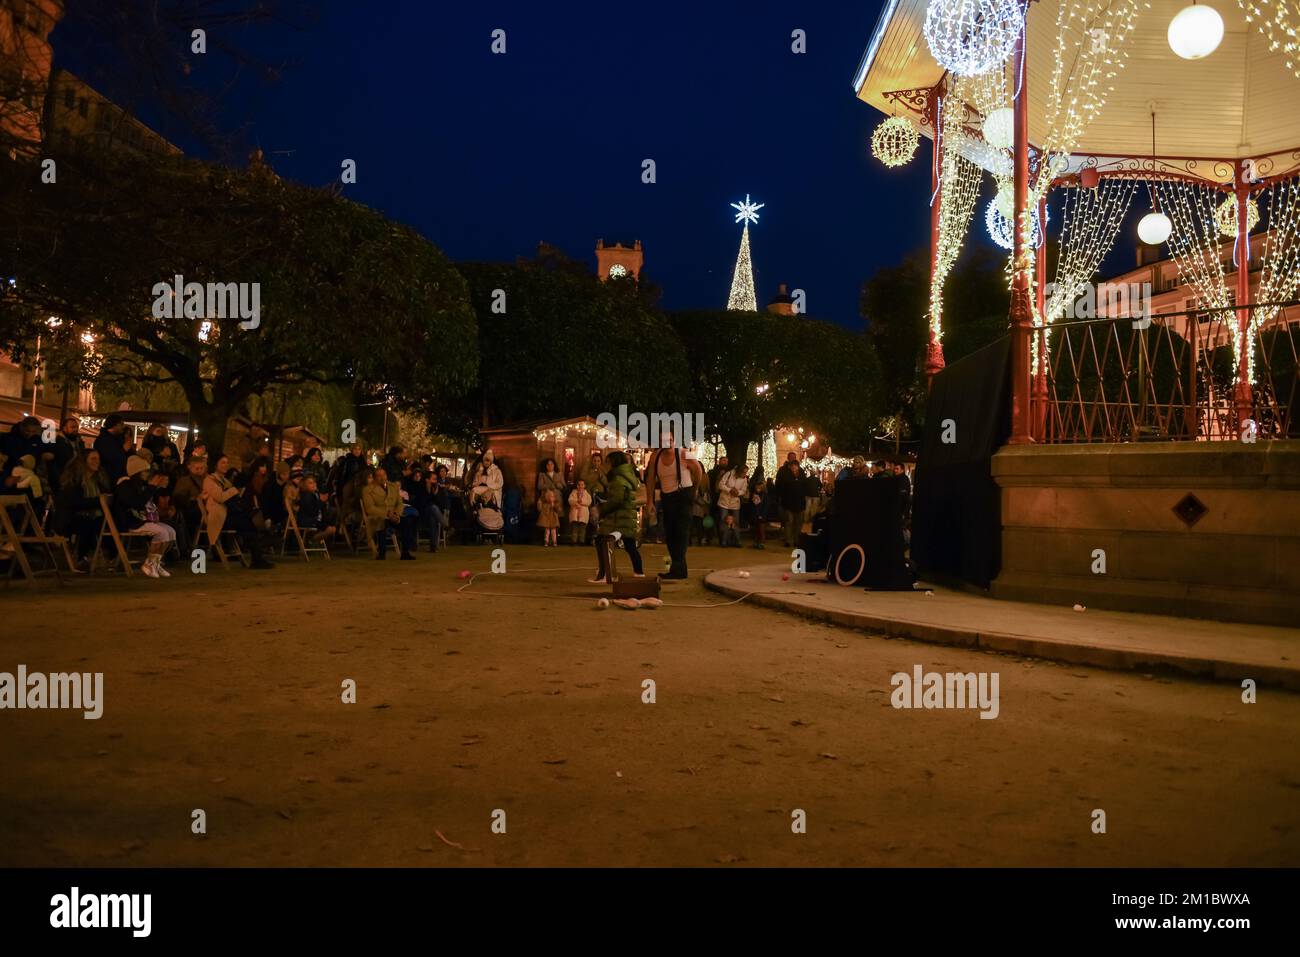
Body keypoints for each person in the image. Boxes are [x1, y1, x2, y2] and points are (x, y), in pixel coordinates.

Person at [642, 431, 705, 580]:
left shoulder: (684, 453)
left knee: (681, 532)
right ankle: (679, 570)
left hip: (683, 495)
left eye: (670, 440)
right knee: (670, 533)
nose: (668, 443)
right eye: (664, 440)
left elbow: (698, 471)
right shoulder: (655, 457)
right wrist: (650, 501)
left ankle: (677, 569)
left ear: (674, 440)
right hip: (667, 497)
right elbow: (650, 479)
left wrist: (694, 490)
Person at [203, 453, 273, 569]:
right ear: (215, 465)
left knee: (249, 521)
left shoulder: (225, 481)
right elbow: (220, 496)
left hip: (229, 513)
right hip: (219, 516)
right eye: (223, 462)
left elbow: (234, 495)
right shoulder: (209, 480)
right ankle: (257, 558)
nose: (226, 465)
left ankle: (257, 557)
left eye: (226, 462)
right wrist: (235, 489)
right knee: (246, 523)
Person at [112, 455, 177, 579]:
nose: (147, 474)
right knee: (162, 532)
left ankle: (155, 563)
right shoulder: (124, 486)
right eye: (145, 471)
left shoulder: (138, 485)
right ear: (137, 472)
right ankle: (149, 564)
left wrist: (155, 487)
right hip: (130, 522)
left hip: (140, 519)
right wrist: (151, 487)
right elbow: (137, 503)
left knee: (171, 532)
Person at [590, 450, 643, 583]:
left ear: (614, 463)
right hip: (624, 517)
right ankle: (639, 573)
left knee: (601, 541)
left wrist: (601, 510)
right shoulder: (625, 475)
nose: (605, 464)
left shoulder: (618, 478)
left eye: (607, 462)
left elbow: (617, 500)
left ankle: (604, 574)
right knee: (629, 545)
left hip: (619, 518)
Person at [55, 448, 110, 570]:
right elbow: (73, 503)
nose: (97, 461)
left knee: (107, 523)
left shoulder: (98, 480)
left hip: (92, 515)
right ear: (84, 461)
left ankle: (106, 557)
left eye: (98, 459)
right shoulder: (74, 481)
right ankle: (82, 557)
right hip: (70, 518)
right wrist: (99, 500)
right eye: (93, 458)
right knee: (88, 525)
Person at [364, 466, 414, 560]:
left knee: (407, 521)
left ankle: (406, 552)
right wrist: (387, 514)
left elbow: (399, 503)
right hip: (378, 516)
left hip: (394, 515)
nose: (382, 477)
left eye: (384, 475)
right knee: (382, 522)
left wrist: (397, 514)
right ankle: (382, 552)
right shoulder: (368, 490)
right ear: (375, 478)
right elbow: (370, 508)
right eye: (379, 476)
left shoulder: (393, 487)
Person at [775, 457, 807, 548]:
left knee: (798, 523)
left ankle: (796, 540)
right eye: (792, 466)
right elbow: (782, 487)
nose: (794, 468)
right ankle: (788, 540)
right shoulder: (786, 475)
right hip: (789, 503)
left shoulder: (802, 475)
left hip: (800, 503)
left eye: (795, 466)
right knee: (789, 522)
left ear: (798, 467)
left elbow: (805, 487)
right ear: (790, 467)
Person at [295, 475, 336, 544]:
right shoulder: (306, 495)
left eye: (314, 482)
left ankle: (314, 541)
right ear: (304, 486)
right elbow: (312, 511)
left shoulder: (315, 494)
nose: (314, 484)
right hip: (308, 520)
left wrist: (324, 503)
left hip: (316, 519)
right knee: (330, 529)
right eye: (310, 483)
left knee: (332, 528)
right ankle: (312, 540)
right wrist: (321, 501)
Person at [577, 449, 607, 543]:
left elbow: (606, 483)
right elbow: (583, 478)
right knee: (587, 516)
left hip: (599, 497)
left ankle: (597, 537)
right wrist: (594, 475)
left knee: (597, 517)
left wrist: (600, 476)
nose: (596, 463)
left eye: (598, 461)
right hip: (588, 497)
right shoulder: (587, 470)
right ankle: (586, 538)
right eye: (594, 460)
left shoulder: (603, 471)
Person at [716, 461, 748, 547]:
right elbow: (720, 485)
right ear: (739, 471)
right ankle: (723, 540)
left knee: (736, 522)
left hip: (735, 503)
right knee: (723, 520)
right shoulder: (729, 474)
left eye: (746, 472)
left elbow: (744, 490)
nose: (745, 474)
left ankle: (736, 541)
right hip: (724, 501)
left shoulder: (744, 479)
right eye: (744, 472)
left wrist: (738, 493)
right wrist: (729, 490)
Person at [93, 414, 130, 483]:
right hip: (109, 477)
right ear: (114, 425)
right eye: (121, 424)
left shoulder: (119, 438)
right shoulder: (103, 440)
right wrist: (124, 449)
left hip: (120, 476)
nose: (123, 426)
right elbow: (109, 457)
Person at [535, 458, 563, 541]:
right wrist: (549, 486)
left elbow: (563, 485)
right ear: (546, 466)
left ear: (554, 465)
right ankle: (546, 539)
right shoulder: (542, 474)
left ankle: (555, 539)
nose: (550, 466)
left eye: (551, 464)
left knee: (556, 517)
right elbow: (539, 486)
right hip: (546, 499)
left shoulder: (559, 474)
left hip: (556, 498)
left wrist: (558, 485)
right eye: (548, 464)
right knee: (546, 518)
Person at [567, 479, 592, 546]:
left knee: (582, 529)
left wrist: (582, 501)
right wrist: (576, 501)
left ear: (584, 486)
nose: (580, 486)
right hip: (575, 513)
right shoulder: (573, 492)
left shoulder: (587, 494)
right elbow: (570, 500)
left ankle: (581, 541)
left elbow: (589, 502)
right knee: (574, 528)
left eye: (582, 485)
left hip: (583, 514)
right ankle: (574, 541)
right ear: (577, 485)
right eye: (579, 485)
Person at [749, 479, 768, 549]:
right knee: (756, 529)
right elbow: (752, 504)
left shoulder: (765, 496)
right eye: (757, 487)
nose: (758, 489)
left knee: (761, 529)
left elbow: (765, 506)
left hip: (762, 515)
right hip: (755, 514)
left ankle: (762, 542)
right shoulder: (753, 494)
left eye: (759, 488)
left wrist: (762, 515)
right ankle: (756, 542)